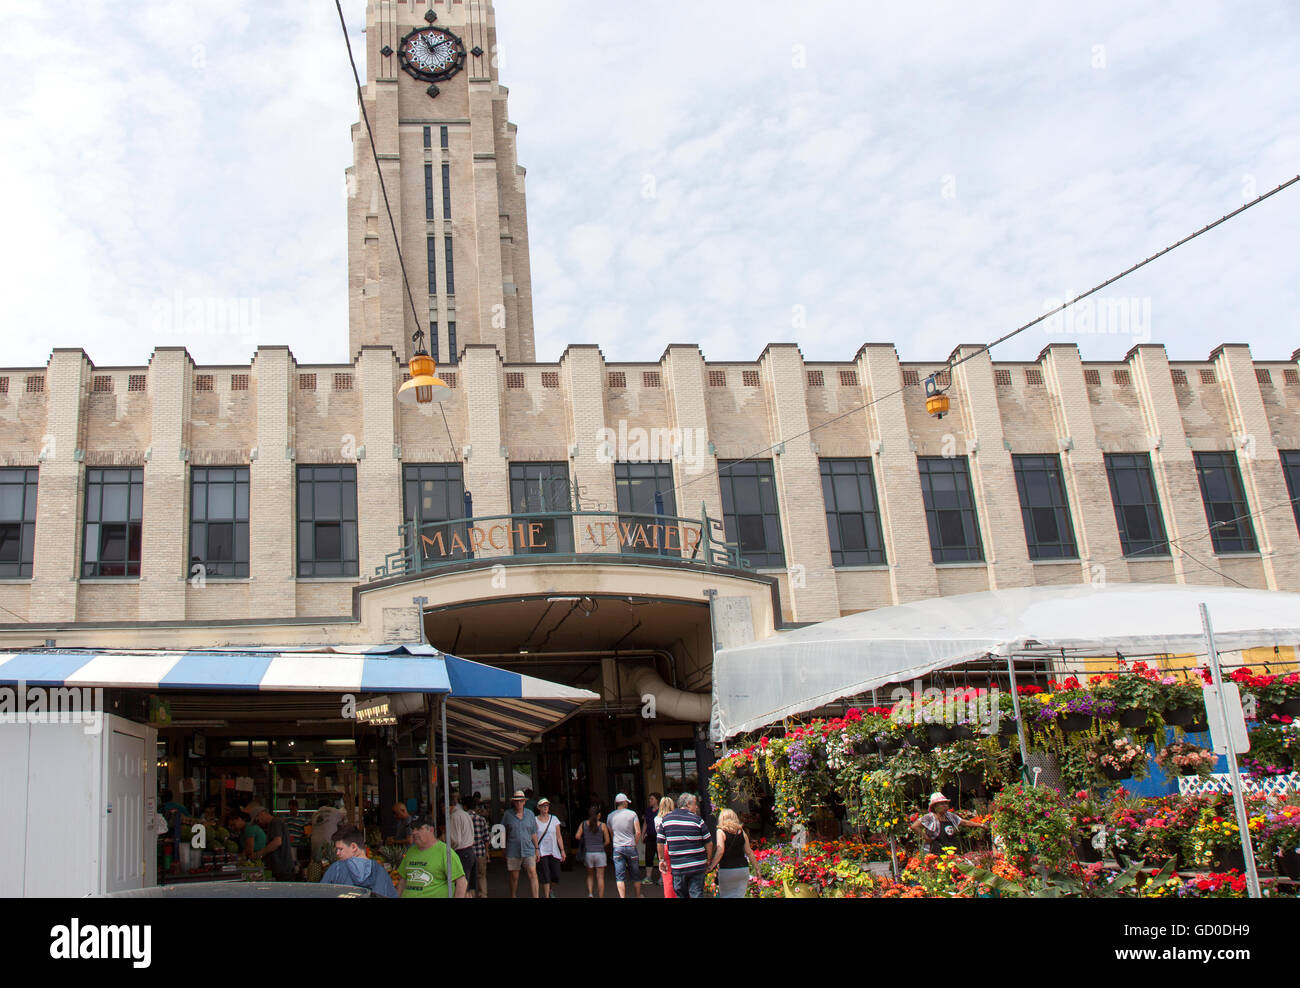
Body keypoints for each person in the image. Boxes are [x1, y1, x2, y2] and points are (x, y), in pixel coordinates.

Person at [657, 792, 713, 899]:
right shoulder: (698, 820)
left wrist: (661, 860)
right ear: (688, 804)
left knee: (681, 895)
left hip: (678, 867)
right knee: (696, 894)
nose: (696, 807)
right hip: (697, 865)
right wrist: (708, 859)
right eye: (695, 804)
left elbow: (660, 841)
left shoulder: (666, 820)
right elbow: (709, 843)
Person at [396, 816, 467, 898]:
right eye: (413, 829)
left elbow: (461, 882)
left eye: (418, 829)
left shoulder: (445, 852)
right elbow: (403, 881)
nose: (414, 832)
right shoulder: (410, 852)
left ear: (431, 830)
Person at [322, 827, 397, 897]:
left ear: (354, 847)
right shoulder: (381, 871)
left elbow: (321, 893)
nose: (337, 853)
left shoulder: (337, 868)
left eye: (340, 849)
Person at [910, 792, 984, 855]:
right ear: (935, 807)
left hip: (950, 848)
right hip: (935, 850)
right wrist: (926, 838)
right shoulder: (929, 817)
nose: (945, 806)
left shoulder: (949, 816)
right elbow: (914, 826)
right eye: (942, 804)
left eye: (946, 803)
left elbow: (964, 822)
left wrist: (981, 825)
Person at [709, 808, 760, 898]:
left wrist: (711, 866)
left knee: (726, 896)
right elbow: (749, 852)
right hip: (742, 869)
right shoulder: (741, 832)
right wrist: (757, 869)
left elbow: (720, 851)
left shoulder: (720, 832)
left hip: (727, 869)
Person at [501, 790, 540, 898]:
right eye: (516, 801)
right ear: (514, 802)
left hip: (529, 848)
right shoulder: (508, 814)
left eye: (521, 801)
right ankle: (513, 895)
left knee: (533, 873)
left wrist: (537, 848)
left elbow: (533, 833)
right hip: (513, 849)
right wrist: (503, 848)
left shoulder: (530, 814)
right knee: (514, 876)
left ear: (524, 802)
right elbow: (503, 831)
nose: (518, 803)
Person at [606, 792, 643, 898]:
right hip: (630, 846)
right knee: (636, 875)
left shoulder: (610, 816)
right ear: (624, 803)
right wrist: (634, 843)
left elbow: (611, 832)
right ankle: (637, 895)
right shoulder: (632, 814)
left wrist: (616, 841)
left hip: (617, 847)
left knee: (619, 877)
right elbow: (638, 832)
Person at [249, 807, 297, 881]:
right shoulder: (272, 824)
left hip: (283, 870)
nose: (259, 824)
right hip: (280, 869)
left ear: (262, 813)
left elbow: (277, 842)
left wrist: (259, 854)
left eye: (257, 820)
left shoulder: (276, 822)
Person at [574, 804, 610, 898]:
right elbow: (607, 841)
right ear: (598, 815)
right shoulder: (603, 825)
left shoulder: (584, 824)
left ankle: (590, 894)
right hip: (600, 853)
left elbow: (577, 836)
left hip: (588, 853)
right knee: (600, 877)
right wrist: (601, 845)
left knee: (590, 875)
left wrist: (585, 840)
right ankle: (600, 896)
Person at [534, 797, 566, 899]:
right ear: (539, 807)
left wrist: (562, 850)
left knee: (556, 876)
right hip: (542, 852)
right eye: (543, 805)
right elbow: (533, 836)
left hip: (554, 851)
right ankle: (547, 896)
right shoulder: (535, 820)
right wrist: (536, 849)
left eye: (547, 805)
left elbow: (559, 836)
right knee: (545, 876)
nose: (545, 807)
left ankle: (550, 889)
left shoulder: (554, 819)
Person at [448, 791, 478, 897]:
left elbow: (455, 840)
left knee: (461, 886)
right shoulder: (465, 814)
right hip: (470, 851)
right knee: (467, 887)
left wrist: (446, 847)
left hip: (462, 853)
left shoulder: (455, 816)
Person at [468, 795, 492, 899]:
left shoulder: (463, 818)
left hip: (467, 853)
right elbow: (486, 838)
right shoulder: (481, 819)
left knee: (469, 877)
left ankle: (471, 894)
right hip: (480, 852)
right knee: (482, 876)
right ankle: (483, 894)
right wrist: (487, 852)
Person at [655, 796, 677, 899]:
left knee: (667, 876)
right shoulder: (674, 818)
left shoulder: (657, 819)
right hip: (674, 846)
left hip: (663, 847)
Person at [643, 793, 661, 886]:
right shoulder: (648, 810)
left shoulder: (661, 811)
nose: (650, 800)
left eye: (652, 799)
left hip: (659, 837)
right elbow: (645, 823)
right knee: (648, 857)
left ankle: (662, 877)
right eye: (650, 799)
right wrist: (643, 834)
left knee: (660, 857)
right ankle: (648, 877)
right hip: (650, 837)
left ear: (657, 800)